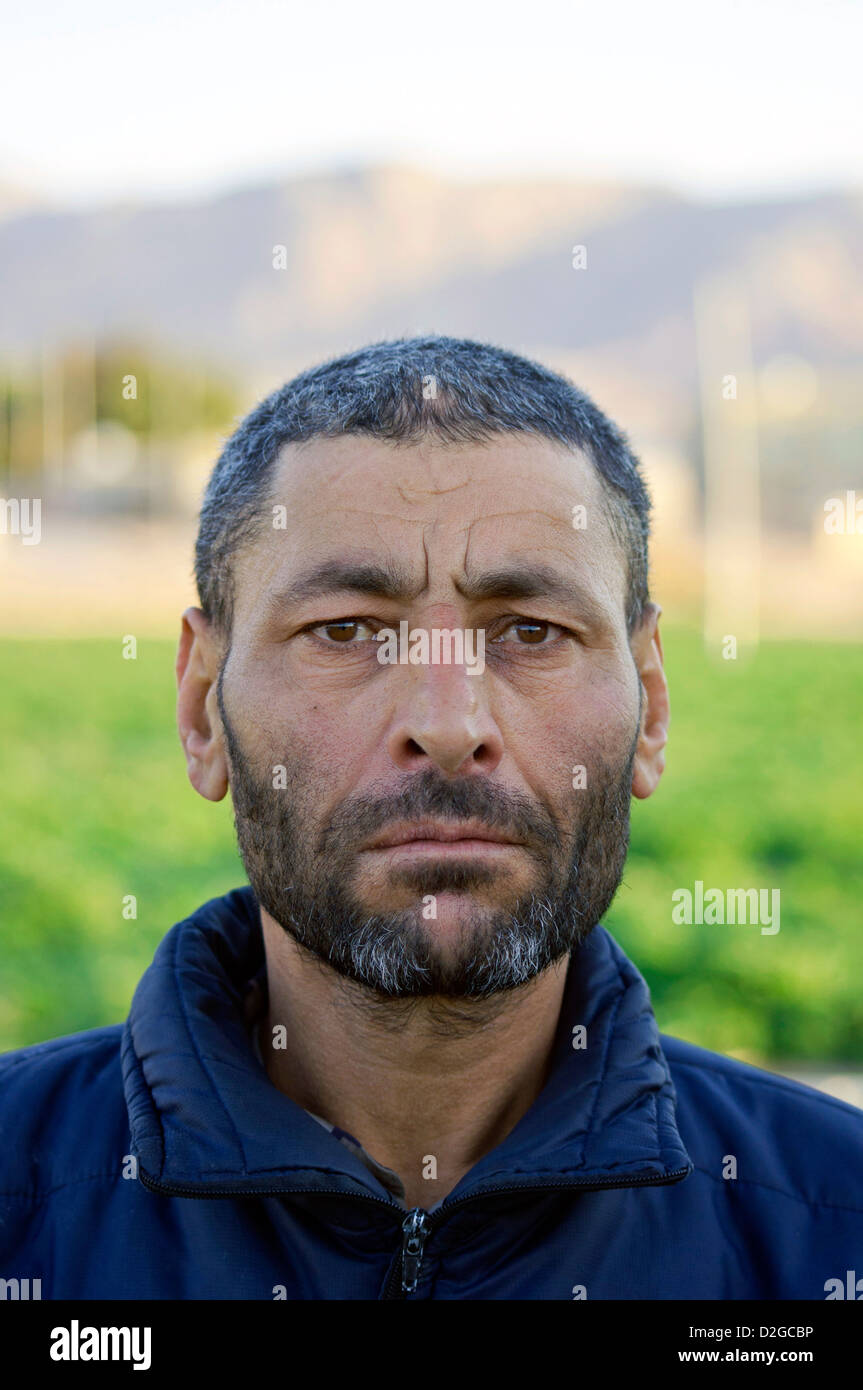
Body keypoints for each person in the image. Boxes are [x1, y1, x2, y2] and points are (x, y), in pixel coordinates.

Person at [2, 336, 861, 1300]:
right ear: (203, 706)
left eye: (531, 632)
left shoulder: (834, 1229)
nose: (449, 728)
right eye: (346, 630)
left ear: (650, 706)